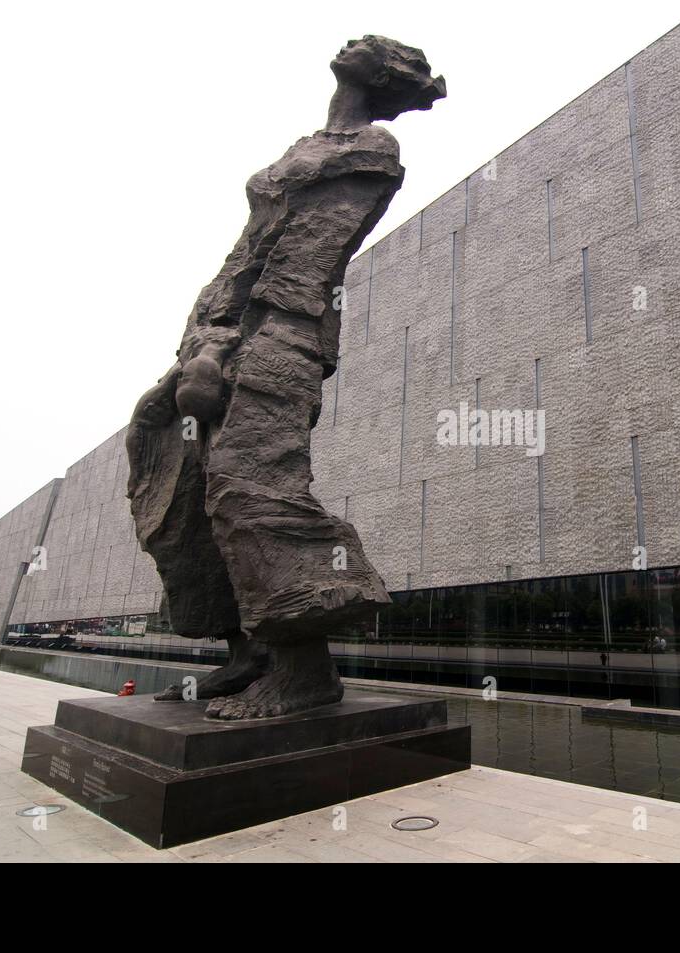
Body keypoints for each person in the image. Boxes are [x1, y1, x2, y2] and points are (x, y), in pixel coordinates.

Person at [127, 37, 445, 719]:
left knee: (250, 482)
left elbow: (307, 256)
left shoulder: (372, 150)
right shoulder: (308, 142)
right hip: (221, 328)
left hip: (283, 328)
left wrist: (226, 348)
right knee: (180, 485)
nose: (355, 41)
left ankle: (303, 670)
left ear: (384, 75)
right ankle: (245, 654)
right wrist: (203, 340)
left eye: (376, 46)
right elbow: (242, 251)